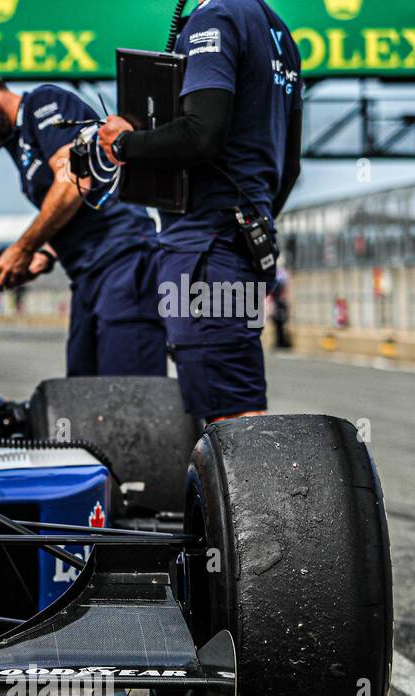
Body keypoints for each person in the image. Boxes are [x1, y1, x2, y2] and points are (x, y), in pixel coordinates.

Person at [98, 0, 303, 420]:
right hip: (244, 242)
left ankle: (247, 489)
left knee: (226, 409)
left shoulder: (217, 16)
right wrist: (249, 216)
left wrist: (124, 144)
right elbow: (290, 166)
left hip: (205, 247)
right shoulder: (281, 35)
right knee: (234, 391)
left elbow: (202, 134)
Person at [0, 65, 167, 378]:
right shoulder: (17, 143)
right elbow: (74, 209)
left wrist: (23, 247)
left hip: (123, 262)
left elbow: (74, 181)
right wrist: (45, 254)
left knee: (129, 387)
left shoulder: (43, 103)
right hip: (87, 272)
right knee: (81, 386)